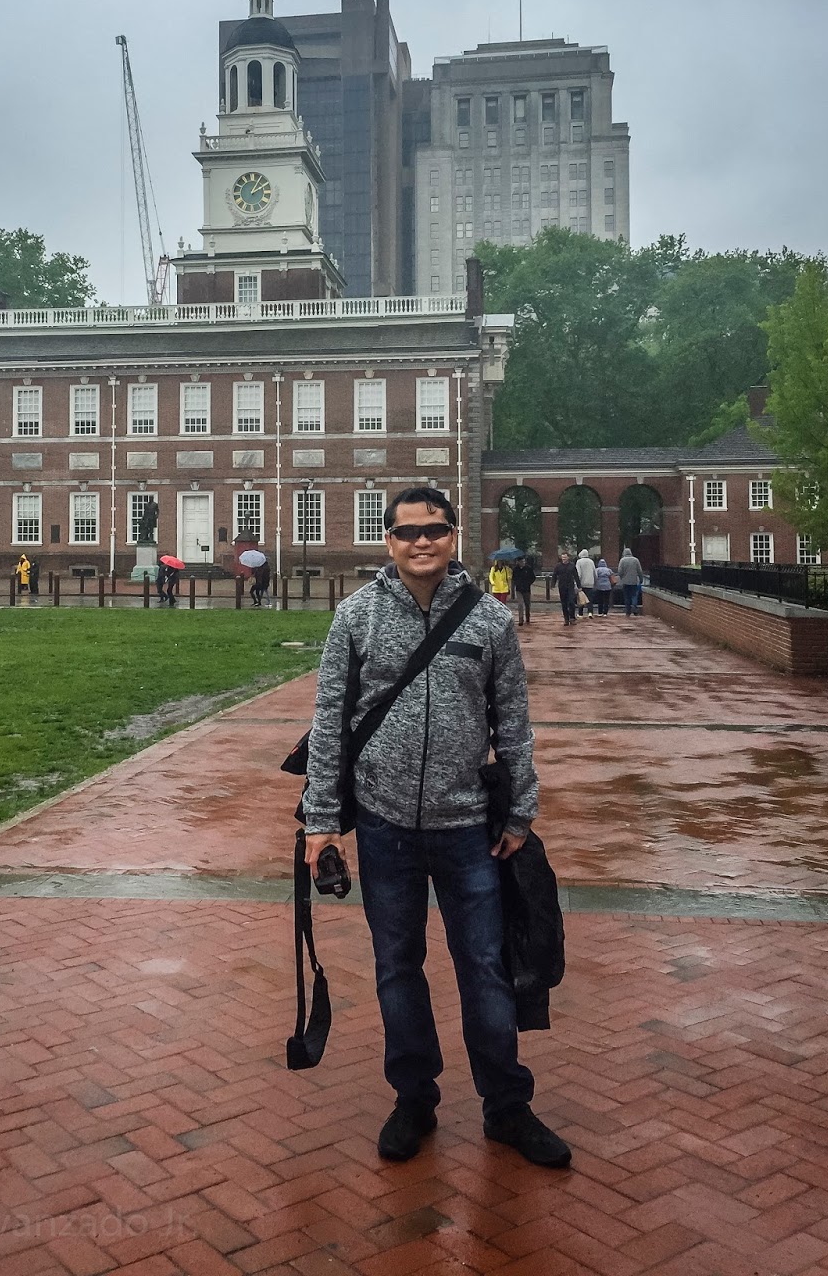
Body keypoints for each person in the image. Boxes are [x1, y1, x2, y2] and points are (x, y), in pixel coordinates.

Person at [302, 486, 571, 1171]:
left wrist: (519, 810)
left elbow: (513, 721)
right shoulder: (356, 618)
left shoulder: (488, 622)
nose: (423, 542)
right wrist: (323, 821)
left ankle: (507, 1104)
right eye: (409, 532)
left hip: (468, 830)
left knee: (483, 969)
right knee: (398, 969)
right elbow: (329, 724)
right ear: (388, 541)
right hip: (386, 826)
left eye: (436, 531)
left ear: (453, 538)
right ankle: (413, 1099)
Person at [549, 551, 581, 628]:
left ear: (568, 557)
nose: (564, 559)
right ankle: (566, 619)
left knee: (571, 602)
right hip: (562, 587)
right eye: (562, 557)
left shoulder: (572, 565)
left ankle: (572, 618)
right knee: (564, 604)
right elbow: (554, 575)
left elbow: (576, 576)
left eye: (565, 557)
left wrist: (579, 586)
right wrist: (552, 585)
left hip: (570, 586)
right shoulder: (558, 566)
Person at [617, 547, 643, 617]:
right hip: (634, 581)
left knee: (627, 596)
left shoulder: (622, 560)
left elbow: (619, 571)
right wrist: (641, 579)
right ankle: (634, 606)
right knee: (634, 595)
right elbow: (639, 571)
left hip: (625, 581)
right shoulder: (635, 560)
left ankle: (628, 611)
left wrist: (621, 577)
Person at [512, 556, 536, 625]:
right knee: (520, 604)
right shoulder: (515, 569)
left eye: (524, 561)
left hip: (526, 589)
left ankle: (527, 617)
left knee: (527, 604)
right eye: (521, 562)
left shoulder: (528, 568)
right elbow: (513, 578)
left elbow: (533, 577)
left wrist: (528, 583)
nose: (523, 563)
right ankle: (520, 619)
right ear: (518, 562)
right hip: (519, 589)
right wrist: (516, 584)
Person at [575, 549, 596, 618]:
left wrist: (577, 583)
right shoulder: (591, 562)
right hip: (590, 583)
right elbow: (595, 573)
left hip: (582, 583)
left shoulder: (579, 562)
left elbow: (578, 573)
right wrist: (594, 581)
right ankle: (590, 612)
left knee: (581, 599)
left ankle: (580, 613)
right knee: (590, 599)